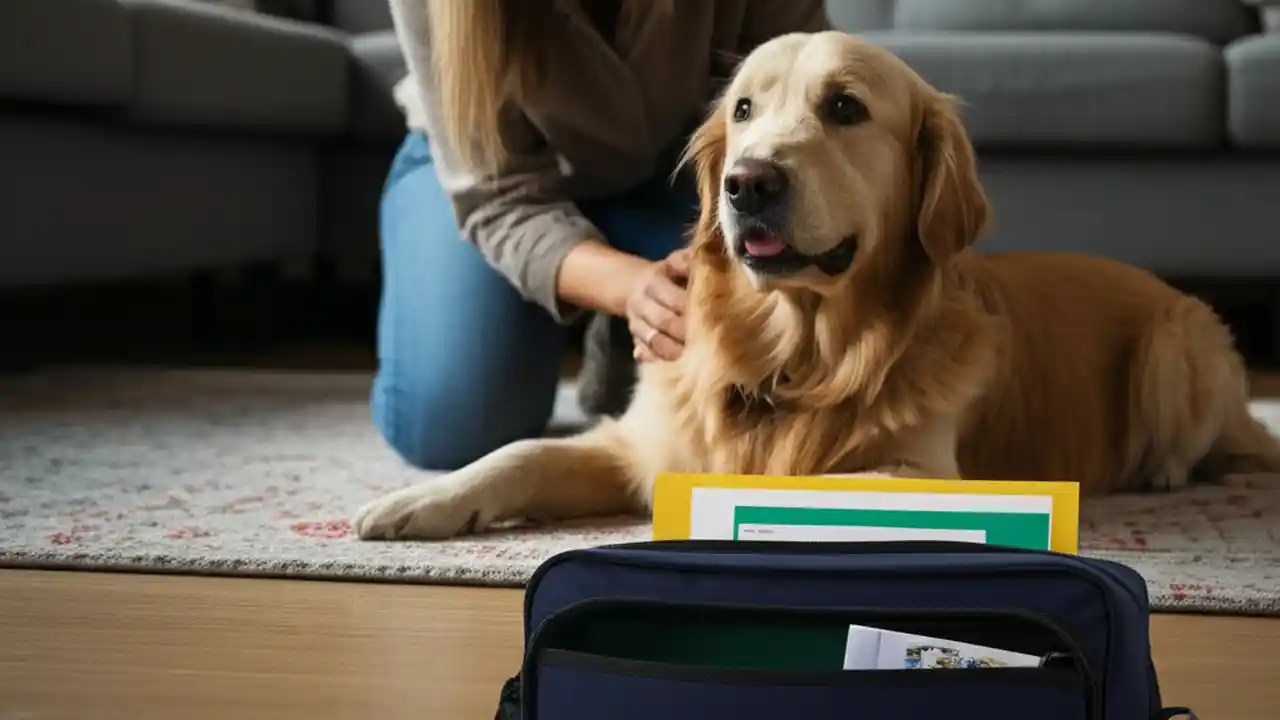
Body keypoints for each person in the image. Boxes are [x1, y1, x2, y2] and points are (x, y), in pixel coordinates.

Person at [375, 0, 830, 470]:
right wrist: (630, 288)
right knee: (452, 425)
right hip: (488, 174)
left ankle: (615, 350)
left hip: (676, 167)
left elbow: (798, 83)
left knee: (774, 370)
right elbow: (495, 197)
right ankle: (599, 316)